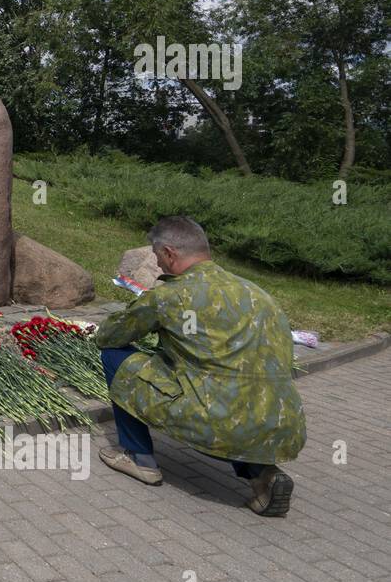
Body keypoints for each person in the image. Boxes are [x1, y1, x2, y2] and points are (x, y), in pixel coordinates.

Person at [93, 216, 306, 517]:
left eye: (157, 258)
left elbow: (110, 335)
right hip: (280, 424)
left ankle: (139, 458)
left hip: (214, 423)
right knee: (237, 389)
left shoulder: (171, 295)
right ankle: (263, 476)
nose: (159, 266)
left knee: (116, 355)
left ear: (169, 253)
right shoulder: (258, 293)